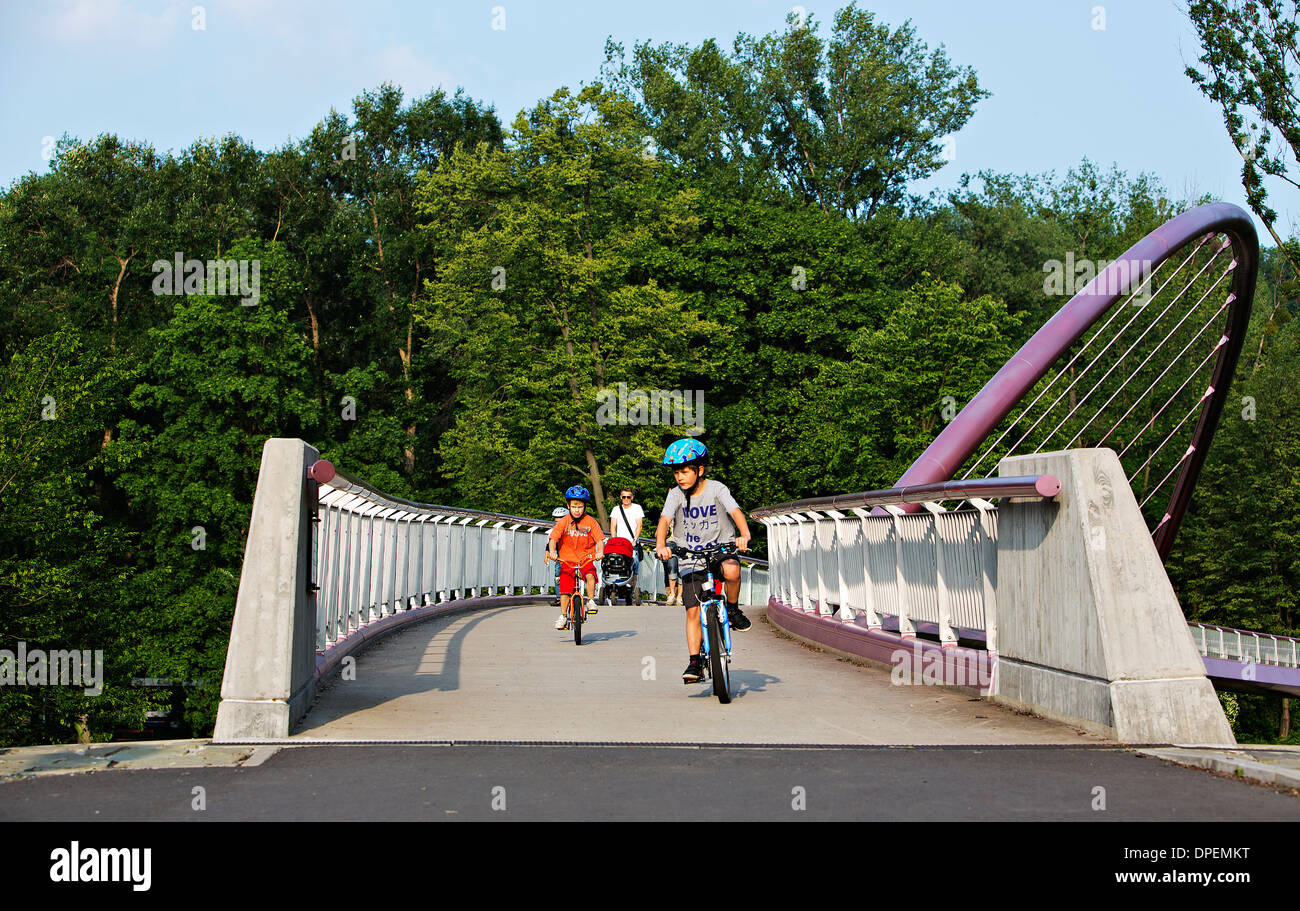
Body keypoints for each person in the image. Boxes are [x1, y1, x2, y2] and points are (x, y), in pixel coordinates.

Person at [653, 438, 753, 684]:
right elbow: (664, 521)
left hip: (720, 546)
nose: (679, 477)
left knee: (731, 570)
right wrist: (661, 544)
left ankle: (732, 608)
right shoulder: (675, 495)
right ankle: (695, 661)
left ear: (699, 470)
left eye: (685, 471)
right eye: (676, 472)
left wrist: (744, 534)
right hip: (690, 555)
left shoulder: (717, 489)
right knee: (692, 610)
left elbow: (735, 511)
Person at [546, 485, 605, 631]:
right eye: (574, 506)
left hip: (586, 558)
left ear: (584, 507)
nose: (577, 510)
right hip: (567, 559)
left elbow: (599, 540)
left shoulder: (591, 522)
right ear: (568, 506)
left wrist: (599, 552)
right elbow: (553, 539)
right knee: (565, 588)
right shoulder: (563, 522)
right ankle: (563, 615)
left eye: (580, 506)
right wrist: (552, 551)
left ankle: (591, 600)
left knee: (591, 574)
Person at [609, 487, 644, 596]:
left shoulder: (637, 508)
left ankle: (632, 588)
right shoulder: (616, 509)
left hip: (631, 542)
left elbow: (639, 525)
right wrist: (614, 540)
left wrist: (634, 540)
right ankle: (617, 586)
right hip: (620, 543)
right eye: (624, 497)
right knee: (617, 564)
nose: (626, 499)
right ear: (621, 497)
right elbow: (613, 526)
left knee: (634, 565)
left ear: (632, 497)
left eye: (628, 497)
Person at [549, 506, 568, 606]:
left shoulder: (571, 530)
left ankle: (572, 594)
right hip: (560, 557)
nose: (557, 524)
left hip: (571, 557)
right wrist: (548, 552)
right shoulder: (556, 530)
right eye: (556, 522)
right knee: (558, 576)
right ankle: (558, 597)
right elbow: (551, 541)